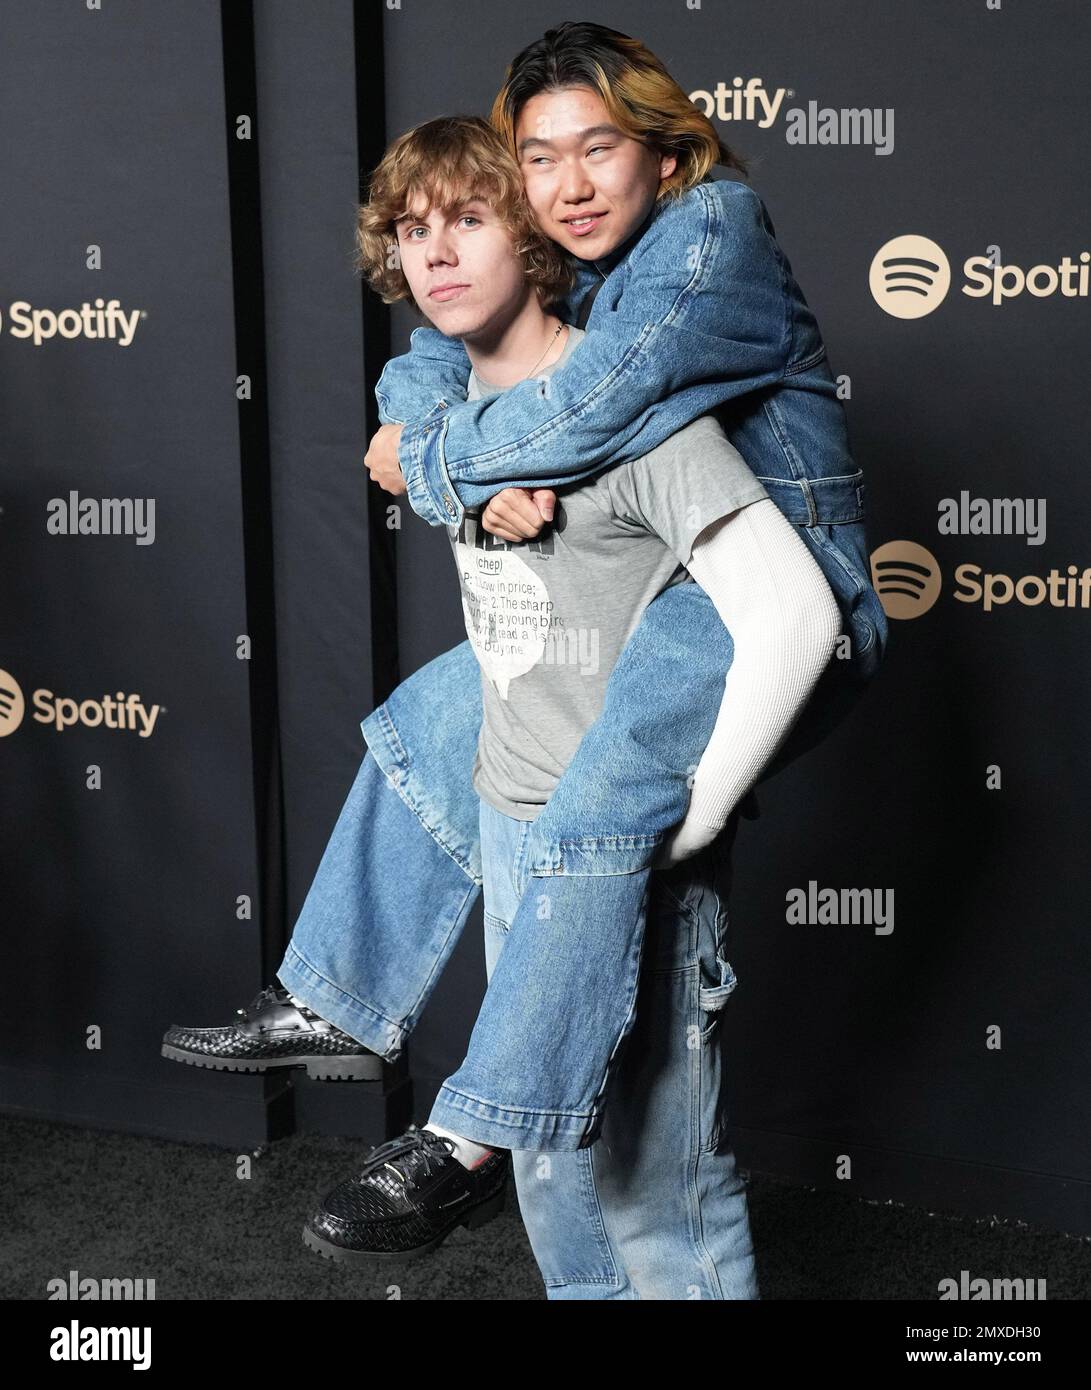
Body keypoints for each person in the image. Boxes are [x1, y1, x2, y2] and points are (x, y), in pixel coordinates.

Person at [163, 22, 888, 1293]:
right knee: (429, 725)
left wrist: (442, 470)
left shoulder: (707, 241)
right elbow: (433, 354)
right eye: (537, 158)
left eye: (597, 147)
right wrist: (438, 446)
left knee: (605, 813)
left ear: (664, 155)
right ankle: (340, 994)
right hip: (648, 617)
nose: (566, 182)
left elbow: (595, 407)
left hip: (777, 587)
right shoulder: (574, 281)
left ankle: (463, 1135)